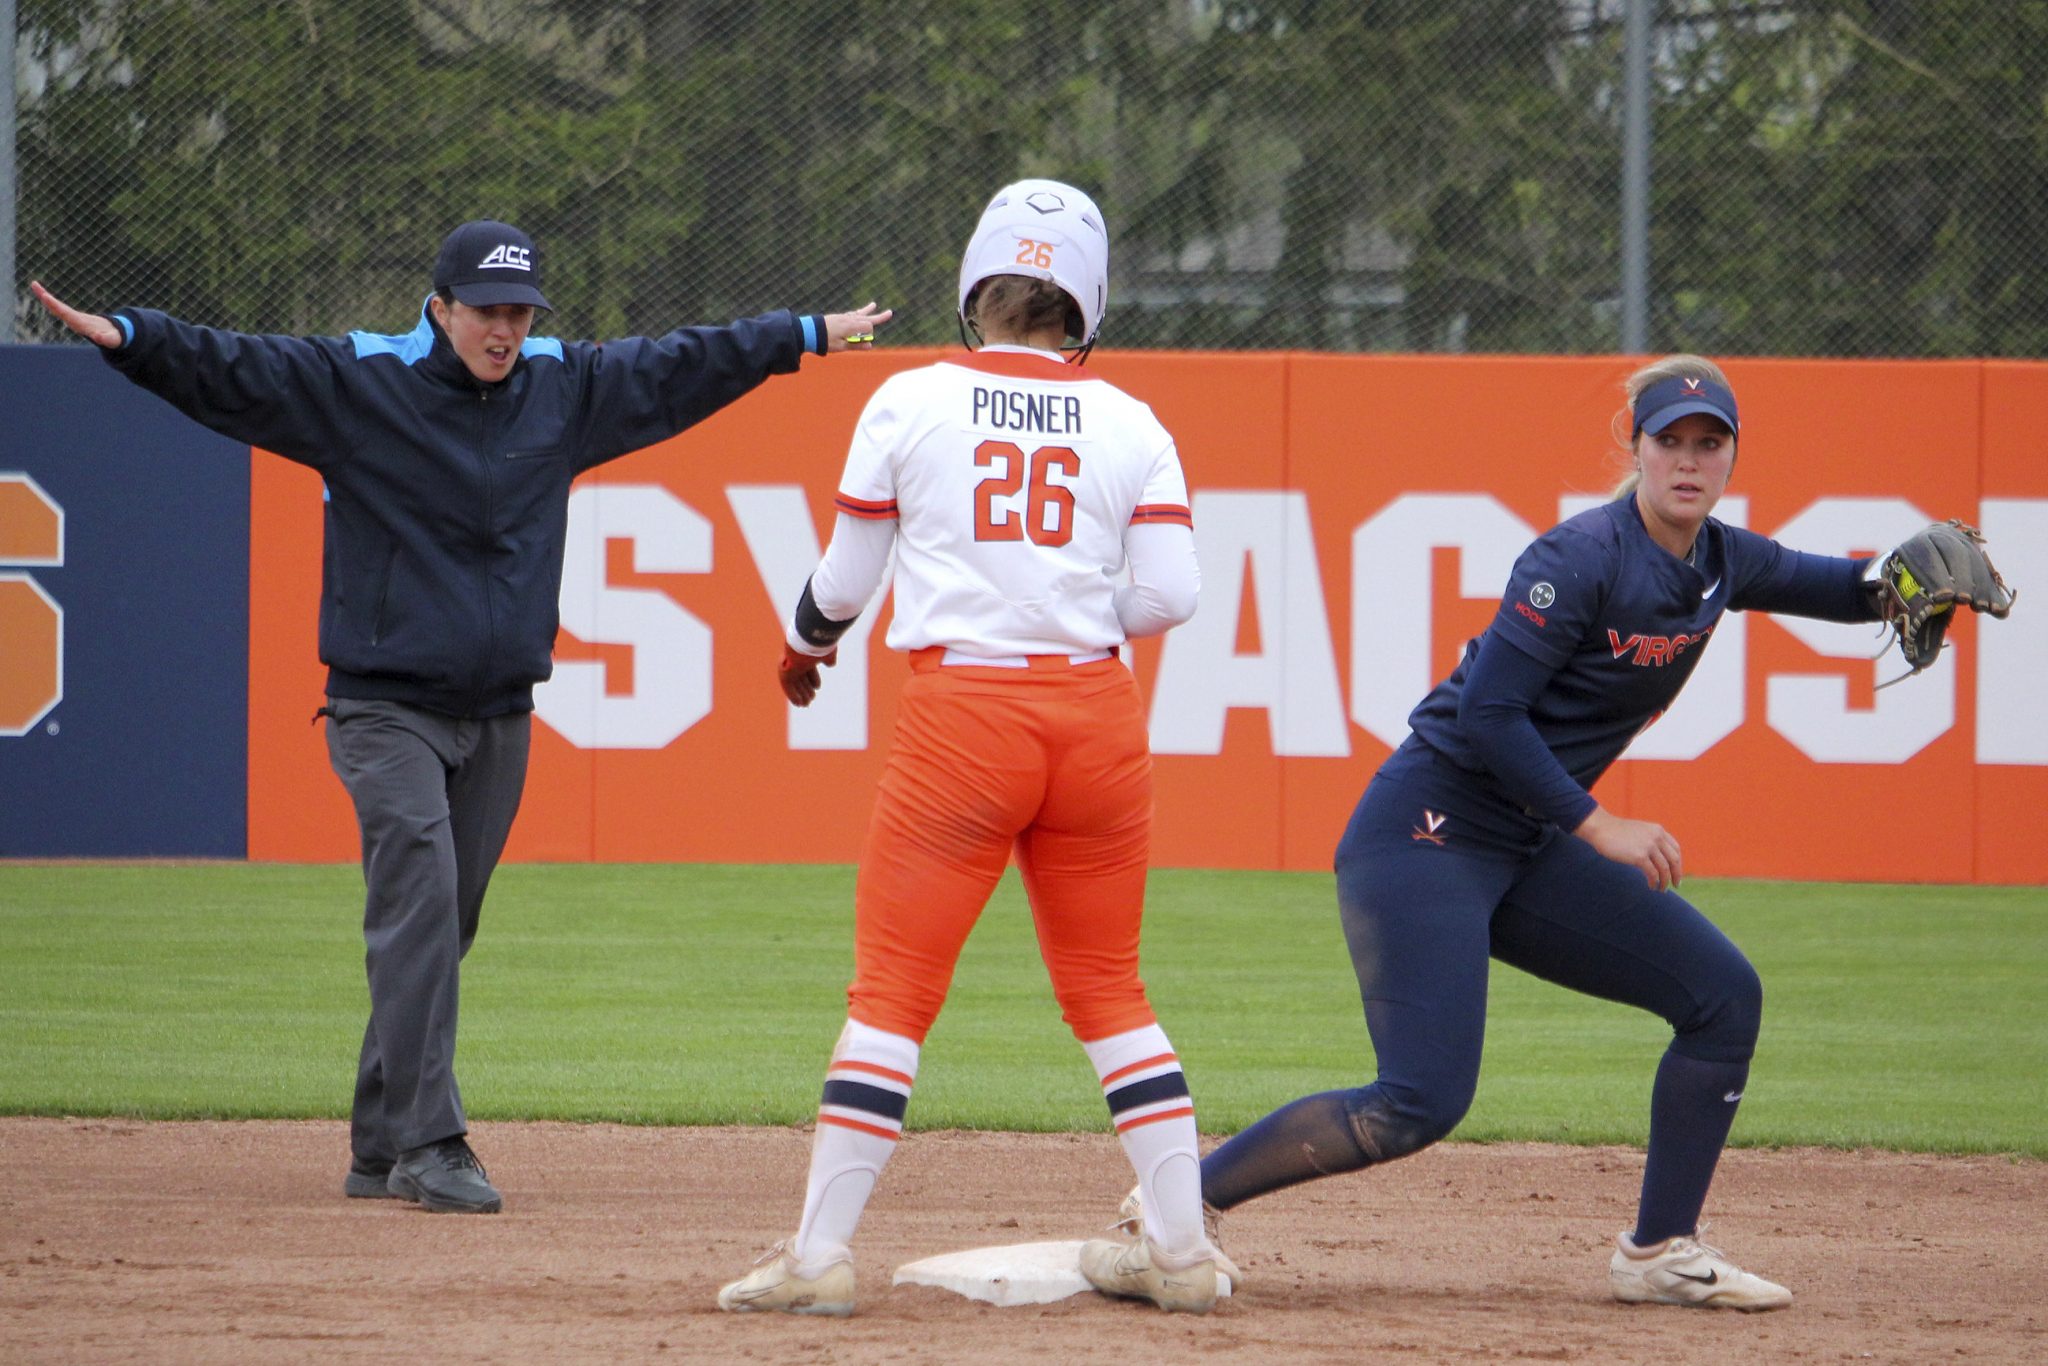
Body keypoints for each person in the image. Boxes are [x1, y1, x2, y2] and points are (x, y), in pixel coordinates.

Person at [29, 222, 889, 1215]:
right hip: (382, 705)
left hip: (499, 713)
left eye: (519, 311)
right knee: (423, 903)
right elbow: (238, 368)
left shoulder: (558, 389)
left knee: (445, 923)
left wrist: (802, 333)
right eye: (486, 309)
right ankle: (434, 1143)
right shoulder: (363, 384)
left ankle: (377, 1140)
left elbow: (679, 367)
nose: (504, 329)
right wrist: (133, 337)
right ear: (439, 307)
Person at [1119, 354, 2012, 1311]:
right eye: (1670, 439)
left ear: (1730, 459)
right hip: (1428, 831)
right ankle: (1173, 1210)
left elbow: (1839, 587)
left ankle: (1660, 1249)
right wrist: (1601, 825)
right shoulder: (1577, 558)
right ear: (1639, 447)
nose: (1689, 460)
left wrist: (1896, 580)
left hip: (1524, 842)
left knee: (1721, 996)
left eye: (1710, 444)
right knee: (1419, 1100)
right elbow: (1489, 718)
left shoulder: (1721, 560)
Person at [715, 179, 1225, 1317]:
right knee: (1110, 992)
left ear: (974, 286)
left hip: (963, 721)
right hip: (1094, 720)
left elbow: (843, 585)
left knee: (893, 991)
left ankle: (815, 1259)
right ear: (1082, 301)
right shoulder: (1133, 422)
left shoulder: (911, 400)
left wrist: (801, 648)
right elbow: (1172, 595)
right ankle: (1183, 1252)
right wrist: (1077, 618)